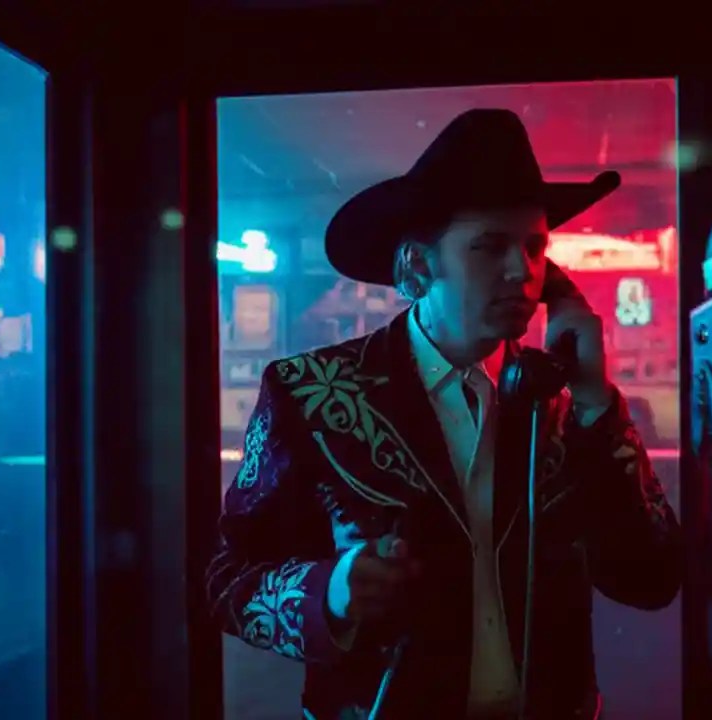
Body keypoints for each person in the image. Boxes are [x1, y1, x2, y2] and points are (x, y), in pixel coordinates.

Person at [206, 108, 682, 720]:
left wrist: (594, 399)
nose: (523, 271)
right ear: (418, 265)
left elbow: (650, 578)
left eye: (536, 248)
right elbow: (228, 580)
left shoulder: (561, 403)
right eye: (490, 247)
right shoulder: (313, 394)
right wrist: (332, 593)